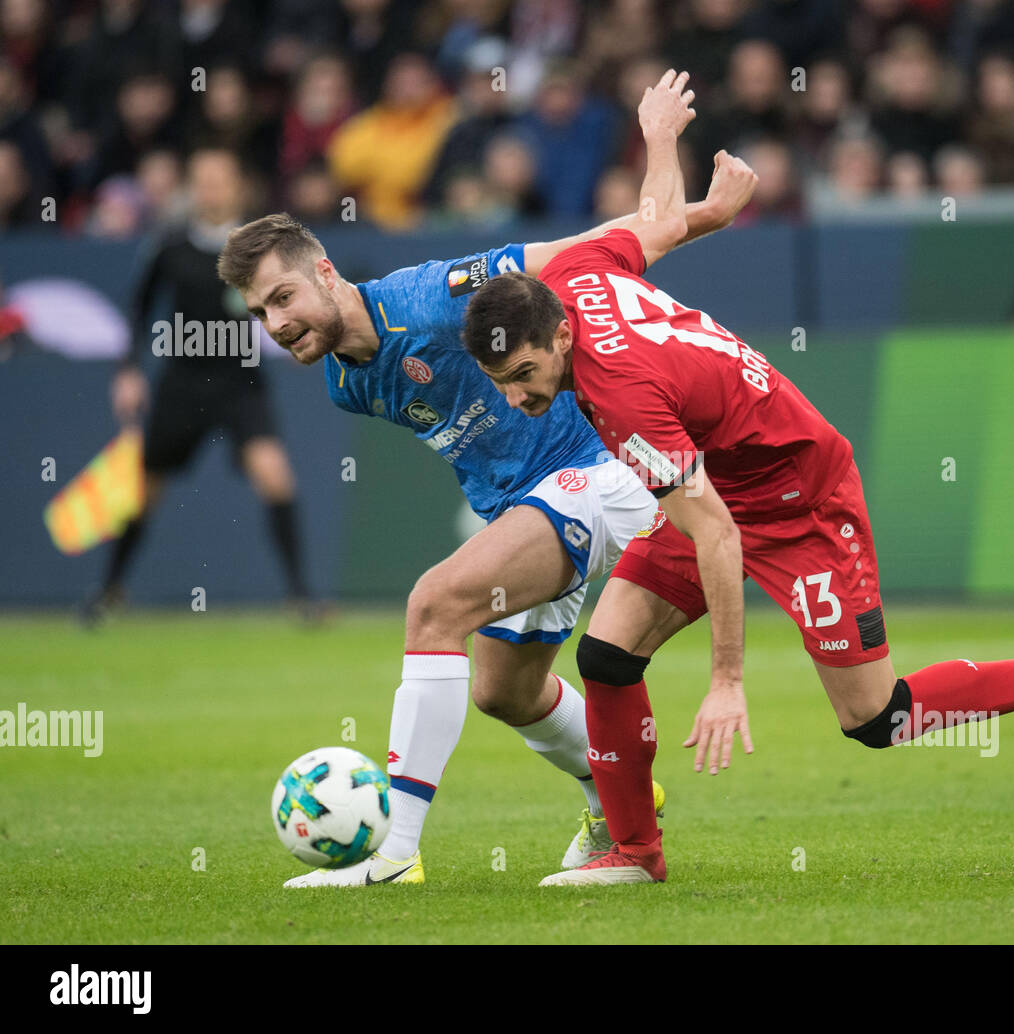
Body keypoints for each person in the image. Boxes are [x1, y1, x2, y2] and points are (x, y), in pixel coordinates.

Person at [462, 70, 1014, 887]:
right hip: (725, 476)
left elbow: (714, 531)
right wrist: (662, 139)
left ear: (561, 338)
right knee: (607, 654)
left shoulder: (620, 390)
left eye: (526, 373)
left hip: (799, 495)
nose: (516, 397)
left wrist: (726, 681)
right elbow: (654, 219)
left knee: (877, 719)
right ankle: (635, 853)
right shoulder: (573, 274)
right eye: (500, 382)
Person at [215, 102, 757, 888]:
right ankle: (617, 802)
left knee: (435, 606)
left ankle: (394, 854)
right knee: (507, 691)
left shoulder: (432, 295)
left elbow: (590, 254)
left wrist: (695, 207)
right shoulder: (342, 381)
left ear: (326, 272)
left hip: (599, 470)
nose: (277, 322)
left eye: (285, 297)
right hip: (535, 506)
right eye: (261, 312)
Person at [83, 146, 313, 624]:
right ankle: (109, 591)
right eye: (202, 180)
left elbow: (293, 296)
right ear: (192, 187)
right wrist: (128, 371)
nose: (211, 190)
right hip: (182, 386)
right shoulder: (170, 245)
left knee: (274, 474)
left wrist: (303, 338)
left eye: (220, 180)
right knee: (144, 491)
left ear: (237, 187)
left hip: (240, 381)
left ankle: (301, 597)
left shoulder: (260, 247)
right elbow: (140, 309)